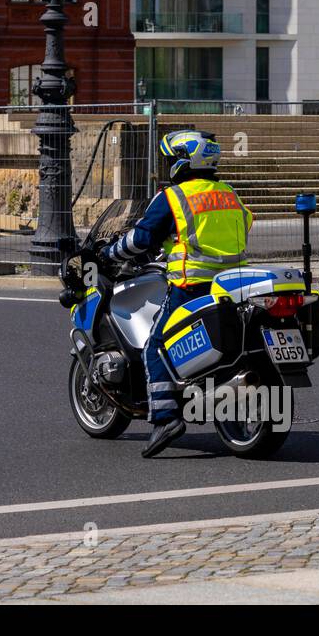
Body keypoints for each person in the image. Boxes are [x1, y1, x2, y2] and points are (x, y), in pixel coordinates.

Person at [100, 129, 253, 458]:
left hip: (191, 284)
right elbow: (244, 223)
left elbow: (141, 239)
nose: (168, 164)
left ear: (184, 161)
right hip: (234, 285)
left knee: (155, 346)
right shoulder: (229, 193)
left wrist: (110, 253)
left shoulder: (175, 196)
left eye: (171, 158)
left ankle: (166, 419)